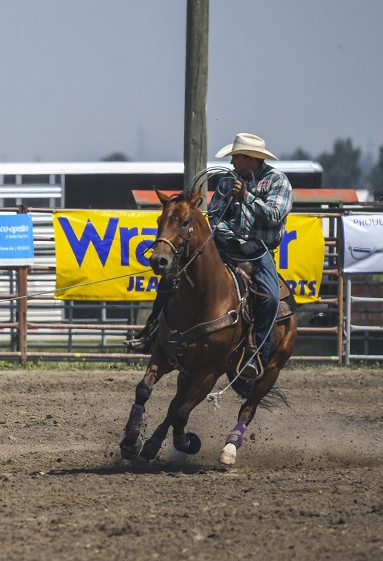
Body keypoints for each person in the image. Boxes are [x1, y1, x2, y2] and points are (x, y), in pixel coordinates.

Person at [125, 133, 292, 381]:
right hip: (225, 246)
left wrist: (247, 198)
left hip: (260, 252)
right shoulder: (227, 182)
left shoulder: (277, 181)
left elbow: (276, 215)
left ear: (250, 158)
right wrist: (231, 238)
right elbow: (215, 217)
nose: (233, 162)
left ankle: (255, 355)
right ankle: (150, 333)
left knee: (270, 297)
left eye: (236, 157)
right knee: (171, 279)